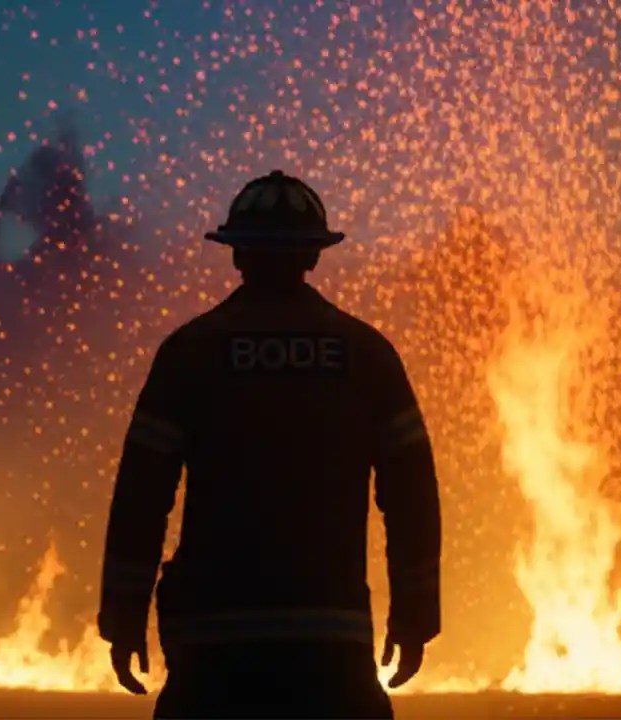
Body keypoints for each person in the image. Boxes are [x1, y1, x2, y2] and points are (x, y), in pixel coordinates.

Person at [97, 170, 441, 719]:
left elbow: (142, 497)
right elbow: (411, 497)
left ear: (236, 254)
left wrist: (122, 615)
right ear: (314, 256)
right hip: (332, 642)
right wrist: (416, 613)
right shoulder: (366, 354)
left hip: (213, 647)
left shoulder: (191, 352)